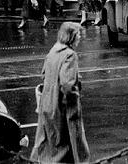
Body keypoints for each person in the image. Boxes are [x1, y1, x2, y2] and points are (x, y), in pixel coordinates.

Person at [32, 21, 90, 163]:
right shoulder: (70, 55)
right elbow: (68, 85)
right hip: (62, 107)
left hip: (48, 103)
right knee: (71, 144)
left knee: (51, 143)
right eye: (78, 35)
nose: (80, 38)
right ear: (71, 36)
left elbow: (44, 74)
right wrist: (74, 101)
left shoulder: (53, 51)